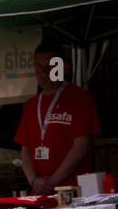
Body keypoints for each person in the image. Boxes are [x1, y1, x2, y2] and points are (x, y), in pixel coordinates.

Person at [16, 45, 101, 196]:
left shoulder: (80, 98)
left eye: (51, 66)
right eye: (39, 67)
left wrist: (53, 181)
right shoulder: (30, 105)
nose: (44, 72)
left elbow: (81, 146)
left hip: (74, 189)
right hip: (39, 193)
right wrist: (33, 180)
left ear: (64, 67)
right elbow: (25, 150)